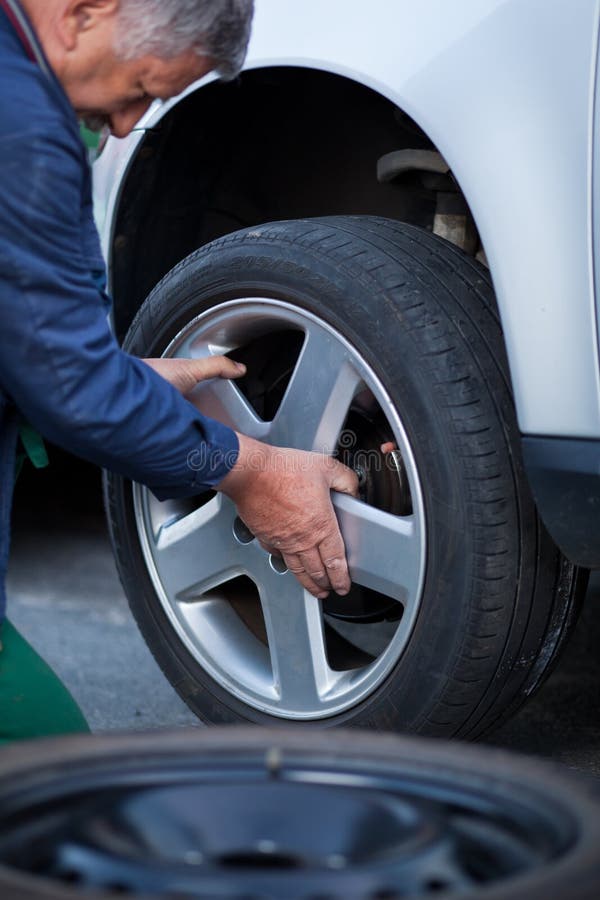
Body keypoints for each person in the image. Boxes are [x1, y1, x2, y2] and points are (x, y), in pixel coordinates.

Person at [0, 0, 358, 742]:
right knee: (46, 765)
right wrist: (252, 470)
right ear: (82, 14)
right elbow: (74, 389)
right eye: (140, 90)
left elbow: (39, 342)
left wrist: (118, 382)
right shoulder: (21, 126)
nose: (125, 127)